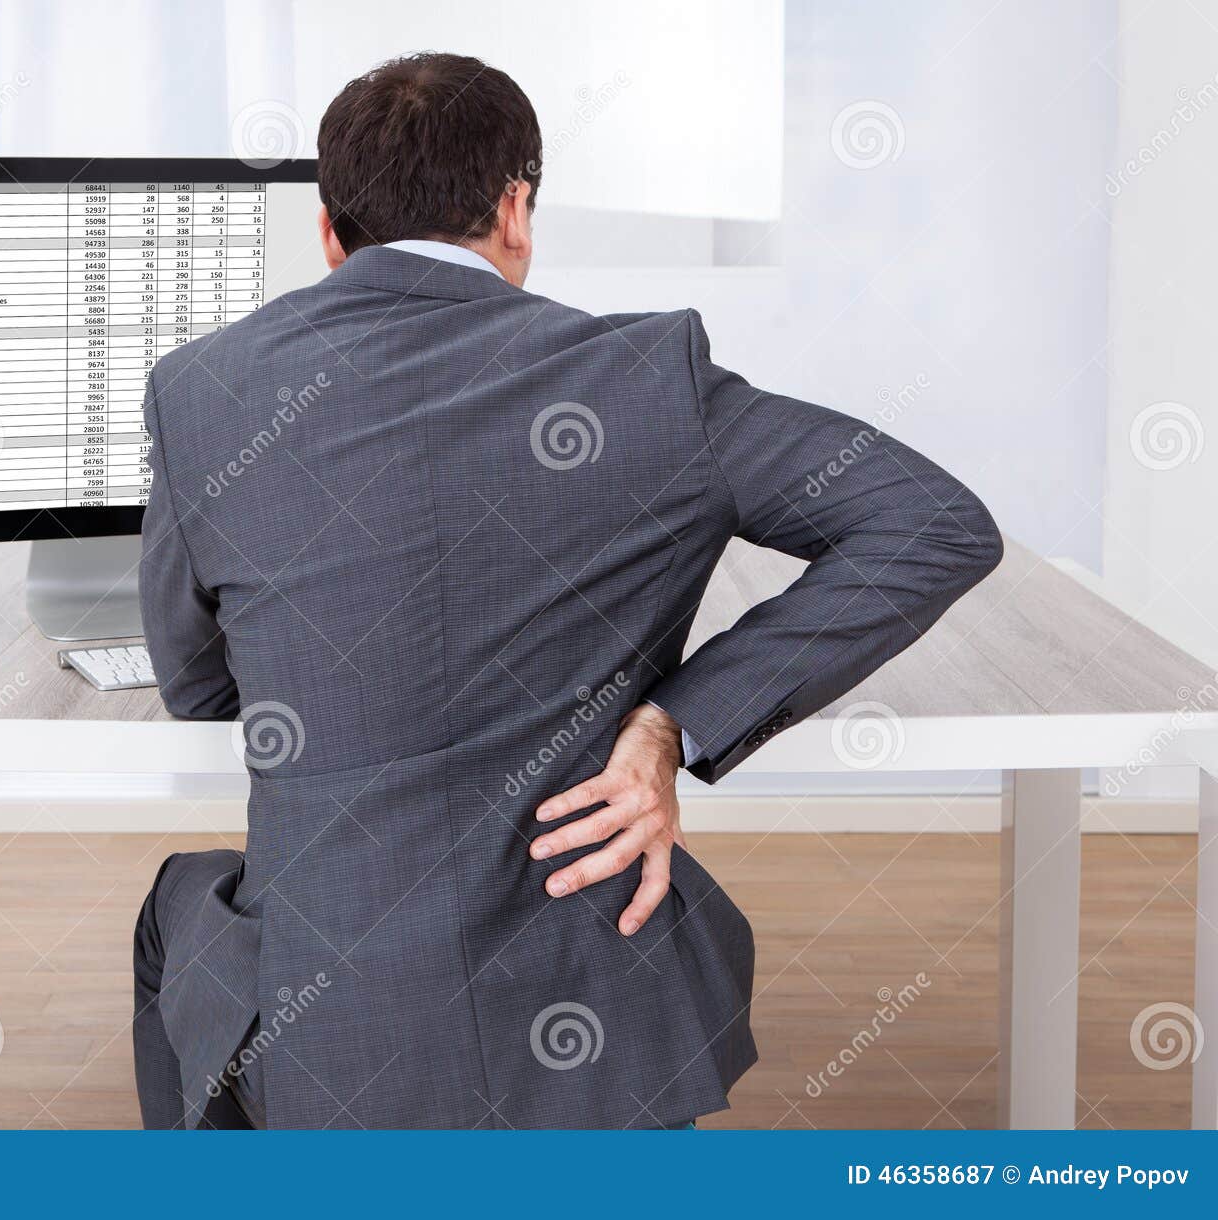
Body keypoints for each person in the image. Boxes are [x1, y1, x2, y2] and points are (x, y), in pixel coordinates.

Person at [132, 51, 1003, 1130]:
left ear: (327, 228)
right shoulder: (649, 381)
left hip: (339, 1038)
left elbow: (196, 686)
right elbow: (931, 520)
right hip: (596, 1035)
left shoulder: (202, 391)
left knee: (179, 905)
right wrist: (670, 722)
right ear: (514, 209)